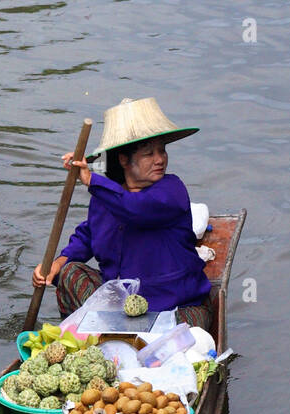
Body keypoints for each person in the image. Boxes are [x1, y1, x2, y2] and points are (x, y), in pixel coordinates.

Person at [33, 97, 212, 329]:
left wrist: (90, 180)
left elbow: (136, 209)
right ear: (124, 160)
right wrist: (55, 265)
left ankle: (114, 335)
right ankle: (97, 337)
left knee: (177, 334)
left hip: (176, 307)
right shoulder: (107, 198)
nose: (160, 159)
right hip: (121, 306)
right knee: (70, 272)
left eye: (162, 151)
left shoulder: (172, 190)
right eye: (149, 153)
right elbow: (87, 236)